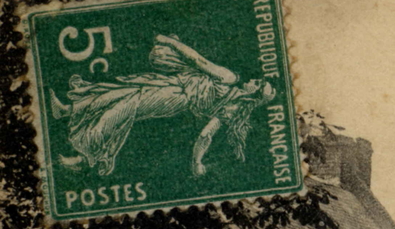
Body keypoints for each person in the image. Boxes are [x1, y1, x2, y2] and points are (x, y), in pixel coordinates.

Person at [50, 34, 276, 177]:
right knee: (118, 91)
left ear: (253, 94)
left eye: (258, 83)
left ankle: (86, 156)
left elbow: (199, 61)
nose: (254, 80)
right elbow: (206, 135)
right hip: (171, 84)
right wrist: (197, 162)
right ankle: (68, 110)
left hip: (174, 95)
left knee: (122, 109)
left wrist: (171, 43)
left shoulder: (229, 80)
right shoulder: (231, 106)